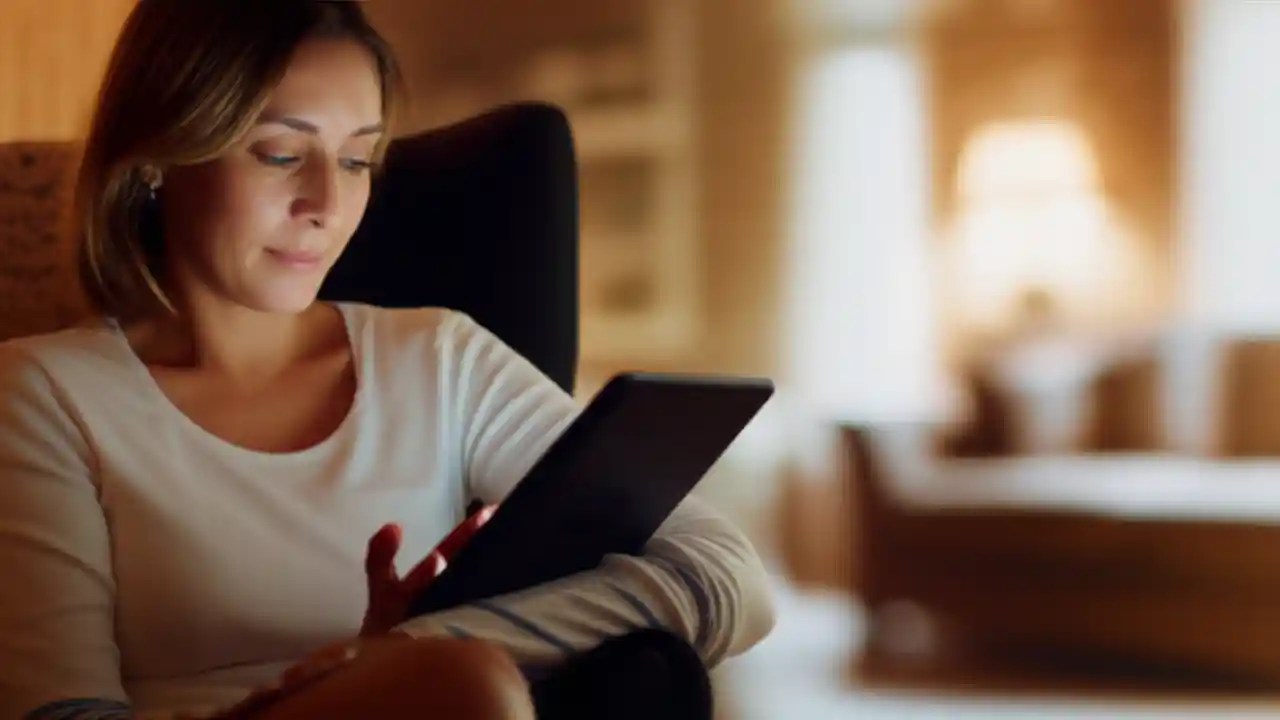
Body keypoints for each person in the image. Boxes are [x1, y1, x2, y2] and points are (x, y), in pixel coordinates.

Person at [0, 2, 776, 719]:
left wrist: (406, 653)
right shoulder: (42, 393)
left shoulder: (439, 359)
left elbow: (725, 576)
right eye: (279, 154)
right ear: (155, 159)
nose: (327, 207)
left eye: (355, 162)